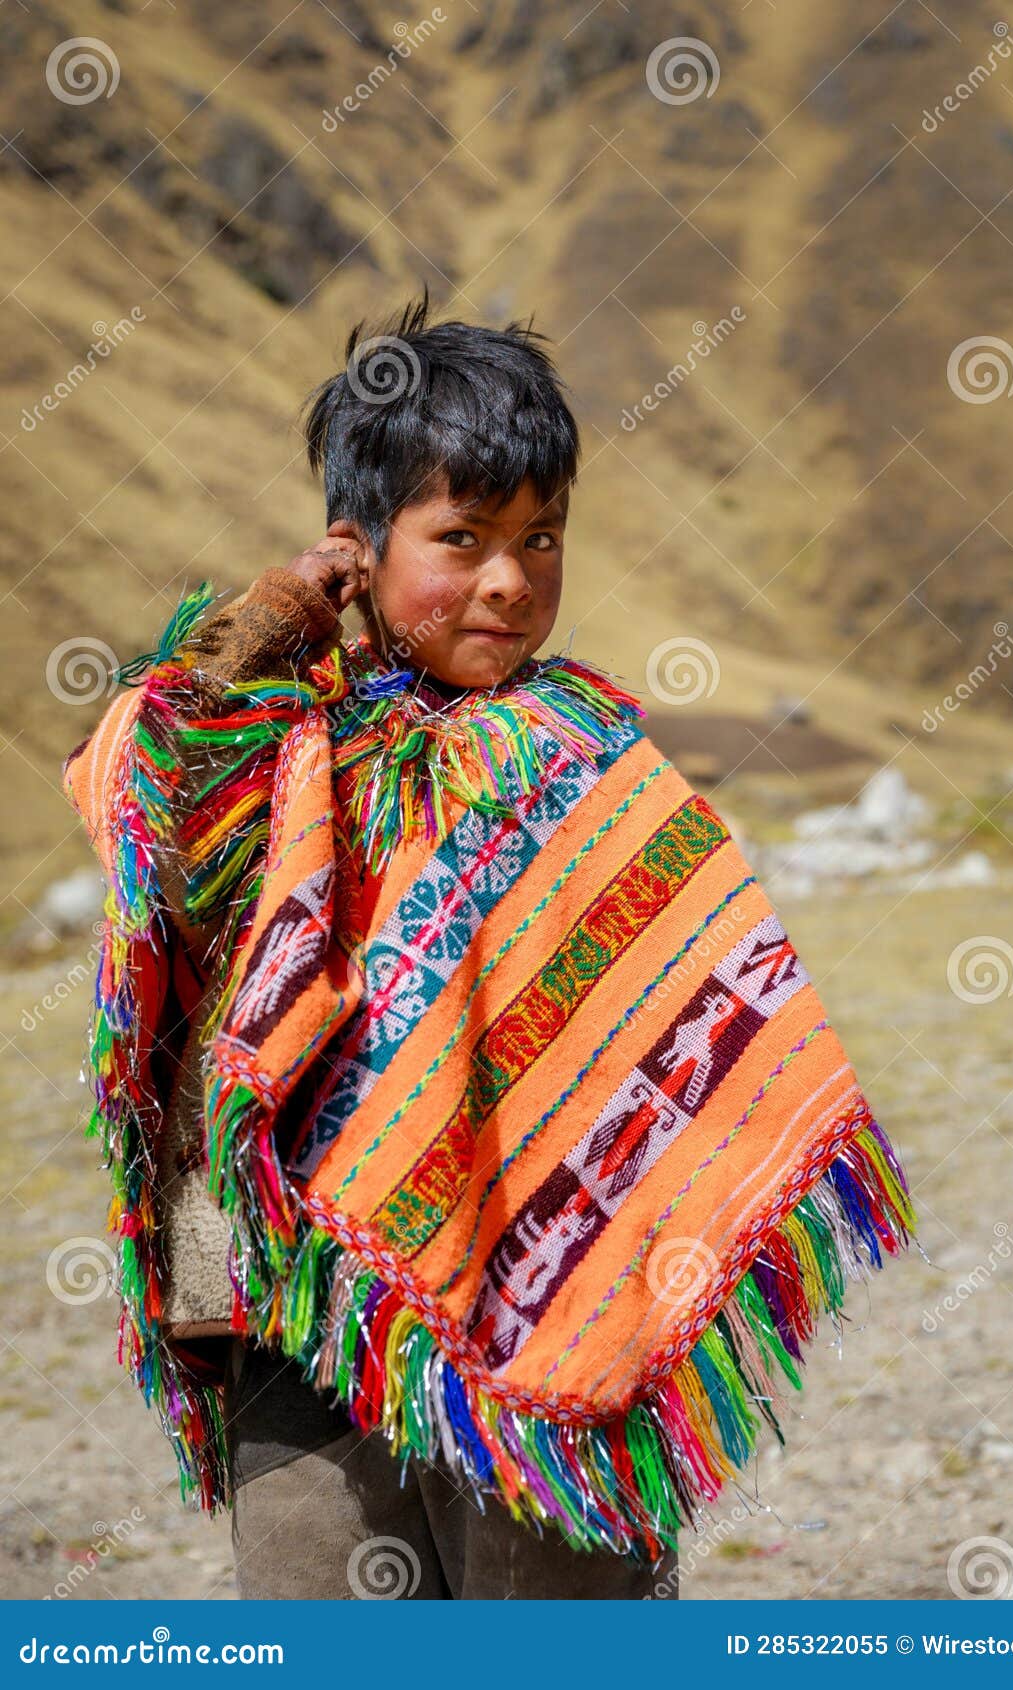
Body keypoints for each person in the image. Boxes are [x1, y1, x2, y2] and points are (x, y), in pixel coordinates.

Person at [69, 289, 679, 1599]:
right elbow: (129, 774)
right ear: (360, 545)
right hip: (300, 1309)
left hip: (547, 1316)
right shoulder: (285, 744)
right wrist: (281, 613)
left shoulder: (584, 750)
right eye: (462, 537)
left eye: (543, 538)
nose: (511, 580)